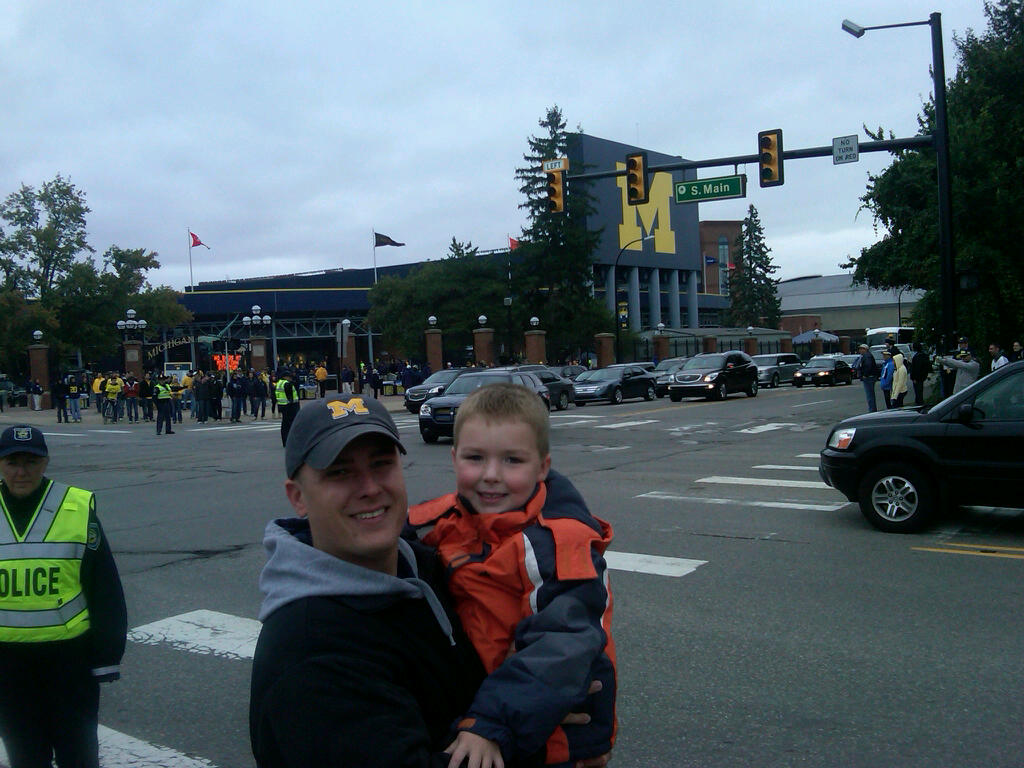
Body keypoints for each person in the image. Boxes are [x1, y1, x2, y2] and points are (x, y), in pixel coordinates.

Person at [249, 396, 606, 768]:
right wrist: (536, 738)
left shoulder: (431, 565)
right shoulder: (311, 658)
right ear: (297, 497)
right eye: (340, 472)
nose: (370, 487)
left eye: (381, 464)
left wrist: (534, 693)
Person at [408, 383, 616, 768]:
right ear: (454, 459)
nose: (491, 475)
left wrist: (491, 721)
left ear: (543, 467)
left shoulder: (559, 542)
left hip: (549, 735)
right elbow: (389, 537)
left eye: (512, 461)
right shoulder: (441, 521)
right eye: (475, 457)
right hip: (487, 709)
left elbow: (562, 643)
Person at [0, 425, 127, 768]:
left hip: (70, 661)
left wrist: (106, 656)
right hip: (7, 665)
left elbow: (103, 586)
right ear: (0, 464)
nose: (22, 471)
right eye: (12, 462)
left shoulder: (76, 506)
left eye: (31, 461)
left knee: (79, 755)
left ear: (46, 462)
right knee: (25, 755)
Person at [275, 369, 299, 447]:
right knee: (290, 425)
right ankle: (291, 441)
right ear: (286, 377)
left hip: (282, 405)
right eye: (290, 377)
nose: (291, 379)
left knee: (284, 425)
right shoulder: (287, 384)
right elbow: (290, 397)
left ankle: (285, 441)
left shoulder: (279, 383)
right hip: (289, 407)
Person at [856, 343, 880, 412]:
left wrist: (865, 375)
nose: (859, 350)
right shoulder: (866, 356)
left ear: (865, 349)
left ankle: (872, 410)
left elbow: (868, 366)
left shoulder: (867, 356)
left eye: (861, 349)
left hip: (869, 378)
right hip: (870, 377)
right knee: (870, 394)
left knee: (870, 395)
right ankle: (872, 409)